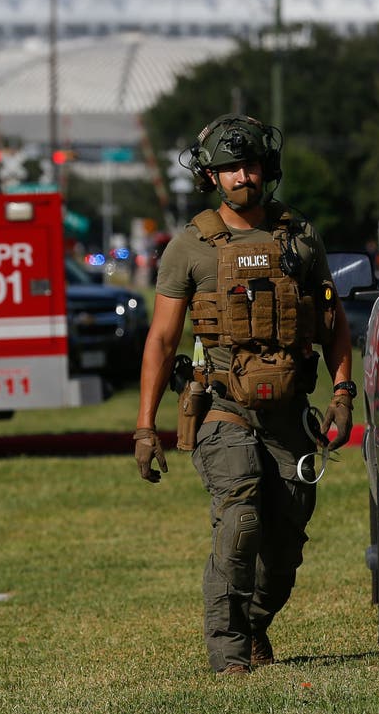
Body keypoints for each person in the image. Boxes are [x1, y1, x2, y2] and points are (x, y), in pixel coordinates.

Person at [132, 113, 354, 675]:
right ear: (212, 177)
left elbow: (333, 323)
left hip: (289, 411)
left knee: (285, 547)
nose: (241, 176)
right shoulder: (191, 247)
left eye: (249, 164)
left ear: (266, 168)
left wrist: (344, 392)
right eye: (229, 168)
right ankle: (228, 649)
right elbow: (161, 340)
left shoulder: (299, 238)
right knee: (241, 517)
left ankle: (255, 622)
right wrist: (144, 427)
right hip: (221, 409)